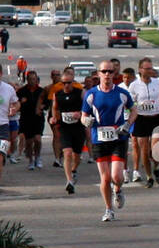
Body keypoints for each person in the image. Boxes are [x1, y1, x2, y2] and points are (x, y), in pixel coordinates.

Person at [82, 60, 136, 222]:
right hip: (99, 137)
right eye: (104, 71)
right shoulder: (91, 94)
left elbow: (134, 110)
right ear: (98, 74)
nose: (107, 75)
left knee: (117, 176)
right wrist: (86, 122)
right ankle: (108, 209)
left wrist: (127, 125)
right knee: (105, 178)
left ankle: (118, 190)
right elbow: (84, 115)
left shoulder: (121, 93)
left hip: (118, 136)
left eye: (110, 72)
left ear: (114, 74)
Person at [128, 57, 159, 186]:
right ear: (140, 70)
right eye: (147, 68)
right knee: (144, 150)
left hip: (156, 118)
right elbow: (130, 104)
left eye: (151, 68)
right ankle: (149, 176)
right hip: (141, 119)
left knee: (154, 149)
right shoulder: (134, 85)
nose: (150, 70)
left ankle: (156, 168)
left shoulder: (158, 83)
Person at [52, 67, 85, 195]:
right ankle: (69, 181)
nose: (66, 85)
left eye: (69, 82)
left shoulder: (79, 92)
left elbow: (88, 108)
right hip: (65, 127)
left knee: (77, 156)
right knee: (67, 153)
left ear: (73, 82)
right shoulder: (58, 95)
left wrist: (81, 113)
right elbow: (54, 108)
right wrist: (54, 117)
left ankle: (74, 170)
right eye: (64, 83)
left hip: (78, 128)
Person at [16, 70, 46, 170]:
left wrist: (43, 106)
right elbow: (16, 103)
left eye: (34, 79)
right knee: (29, 142)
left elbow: (47, 103)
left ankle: (37, 157)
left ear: (36, 79)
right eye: (30, 79)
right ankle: (31, 160)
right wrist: (20, 102)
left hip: (38, 118)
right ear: (27, 80)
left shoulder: (41, 91)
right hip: (26, 119)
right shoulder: (22, 91)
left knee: (37, 139)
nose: (32, 81)